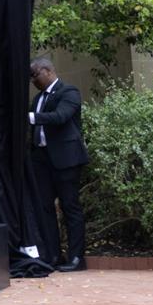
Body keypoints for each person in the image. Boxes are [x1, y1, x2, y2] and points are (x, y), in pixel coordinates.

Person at [27, 56, 88, 271]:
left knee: (70, 207)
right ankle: (53, 255)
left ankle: (77, 258)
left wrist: (32, 117)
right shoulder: (37, 99)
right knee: (45, 208)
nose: (32, 80)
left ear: (47, 71)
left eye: (34, 75)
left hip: (66, 159)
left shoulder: (69, 92)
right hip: (42, 160)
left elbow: (60, 117)